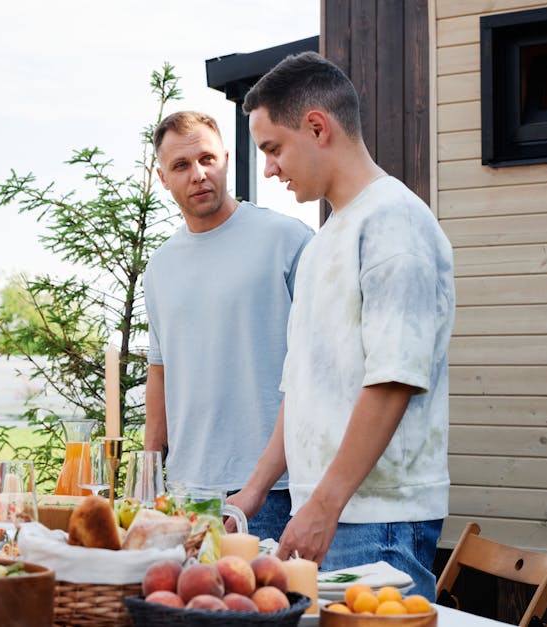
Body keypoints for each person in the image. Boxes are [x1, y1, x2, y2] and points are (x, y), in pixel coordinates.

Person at [228, 51, 455, 599]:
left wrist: (323, 505)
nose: (268, 169)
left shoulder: (393, 224)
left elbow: (394, 379)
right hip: (327, 510)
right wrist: (252, 494)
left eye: (273, 148)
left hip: (378, 521)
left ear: (317, 127)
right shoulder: (325, 240)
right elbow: (300, 384)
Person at [143, 111, 313, 541]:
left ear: (227, 159)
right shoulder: (160, 267)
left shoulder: (288, 240)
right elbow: (159, 372)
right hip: (185, 492)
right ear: (163, 178)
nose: (198, 175)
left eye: (207, 159)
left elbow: (320, 365)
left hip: (275, 490)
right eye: (181, 166)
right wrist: (148, 478)